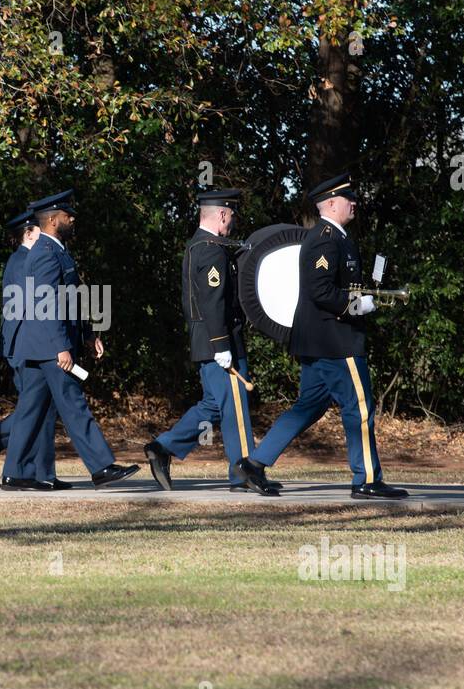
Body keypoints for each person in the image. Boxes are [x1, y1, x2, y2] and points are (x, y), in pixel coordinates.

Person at [233, 172, 408, 500]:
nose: (354, 202)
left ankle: (254, 463)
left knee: (308, 407)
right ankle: (366, 479)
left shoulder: (336, 237)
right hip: (335, 341)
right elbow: (320, 290)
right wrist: (358, 305)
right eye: (348, 199)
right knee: (359, 407)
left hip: (321, 341)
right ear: (330, 203)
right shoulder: (326, 238)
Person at [1, 189, 139, 490]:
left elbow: (71, 300)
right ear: (52, 220)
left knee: (31, 409)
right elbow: (45, 304)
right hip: (49, 344)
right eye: (67, 215)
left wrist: (88, 334)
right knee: (74, 403)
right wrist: (62, 347)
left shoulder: (56, 249)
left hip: (44, 344)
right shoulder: (45, 253)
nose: (72, 218)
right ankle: (102, 467)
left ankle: (15, 473)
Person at [144, 188, 277, 495]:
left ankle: (163, 447)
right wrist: (222, 346)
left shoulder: (197, 246)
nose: (233, 222)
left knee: (213, 408)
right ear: (220, 215)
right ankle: (244, 471)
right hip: (220, 342)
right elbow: (213, 301)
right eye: (231, 215)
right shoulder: (211, 250)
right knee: (235, 408)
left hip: (208, 342)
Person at [0, 209, 66, 488]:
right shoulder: (23, 261)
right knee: (34, 408)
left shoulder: (28, 258)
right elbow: (35, 309)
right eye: (38, 232)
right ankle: (5, 459)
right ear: (29, 233)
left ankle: (40, 472)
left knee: (40, 408)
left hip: (31, 345)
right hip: (26, 347)